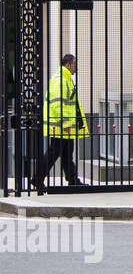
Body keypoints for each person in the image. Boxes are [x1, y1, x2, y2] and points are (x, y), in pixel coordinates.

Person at [34, 54, 88, 191]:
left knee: (67, 153)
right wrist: (65, 124)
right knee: (54, 154)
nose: (76, 67)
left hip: (65, 127)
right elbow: (58, 105)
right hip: (61, 127)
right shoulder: (60, 81)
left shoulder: (66, 79)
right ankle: (37, 178)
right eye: (75, 64)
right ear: (68, 65)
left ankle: (73, 179)